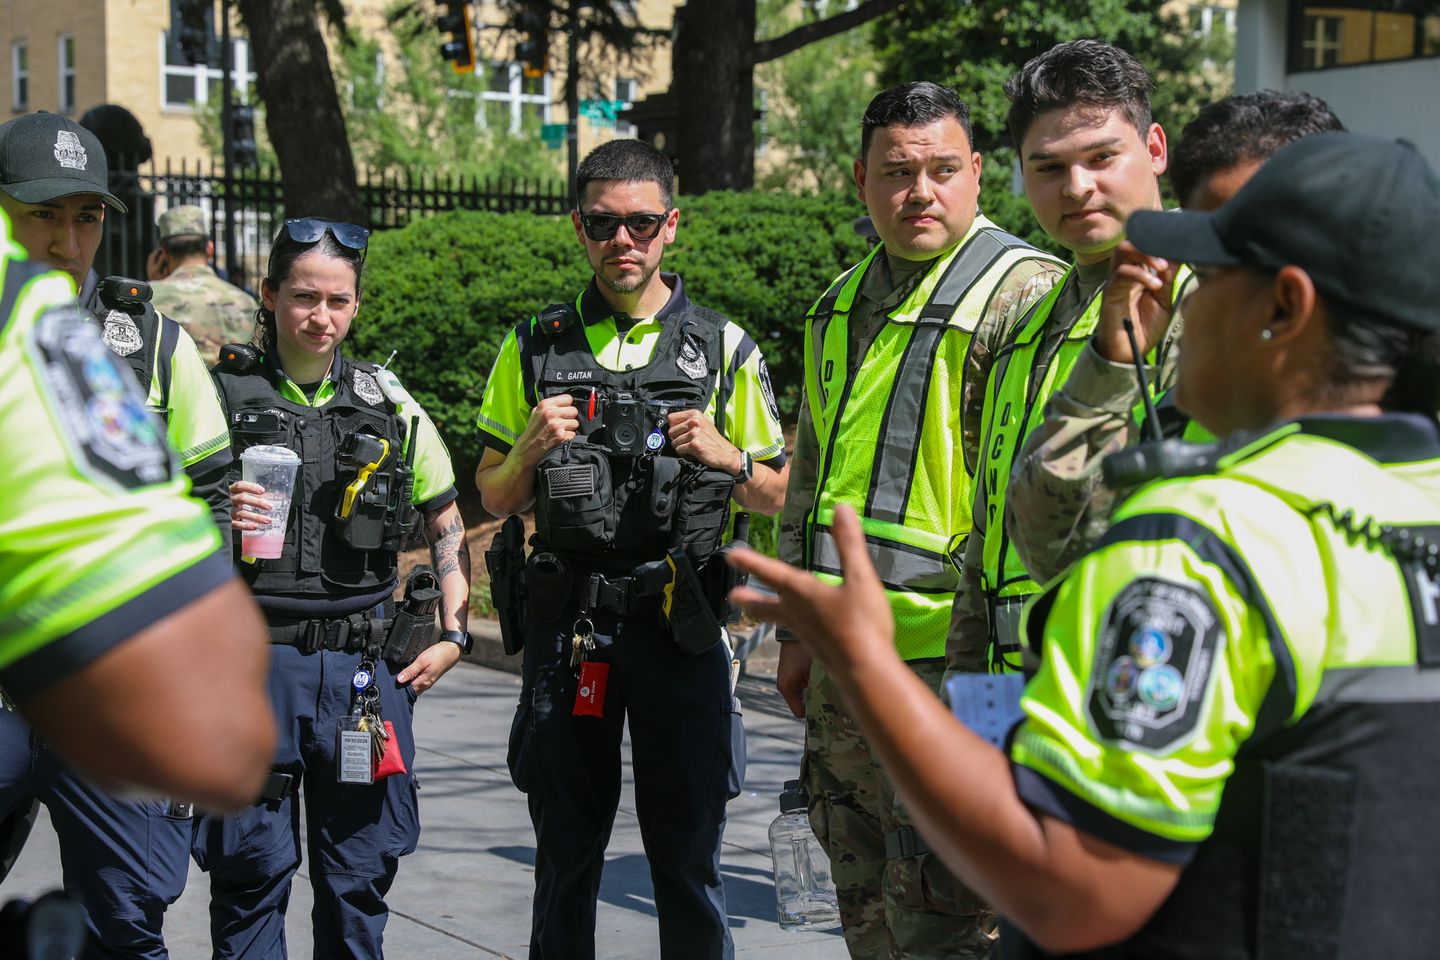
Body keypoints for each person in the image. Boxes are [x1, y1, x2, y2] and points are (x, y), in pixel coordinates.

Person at [732, 131, 1440, 958]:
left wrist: (865, 665)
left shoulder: (1199, 543)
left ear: (1284, 308)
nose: (1180, 301)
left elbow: (1077, 893)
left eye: (1209, 277)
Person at [475, 138, 789, 960]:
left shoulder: (722, 348)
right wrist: (529, 448)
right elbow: (494, 495)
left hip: (680, 626)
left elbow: (784, 493)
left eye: (642, 223)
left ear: (670, 226)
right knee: (564, 852)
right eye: (603, 223)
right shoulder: (534, 344)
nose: (623, 240)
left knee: (687, 856)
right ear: (578, 228)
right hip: (570, 629)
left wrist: (729, 456)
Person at [773, 82, 1063, 959]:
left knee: (953, 903)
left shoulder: (1026, 296)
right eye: (898, 172)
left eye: (942, 169)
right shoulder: (838, 303)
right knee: (862, 887)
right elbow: (808, 473)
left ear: (977, 172)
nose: (920, 192)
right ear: (862, 180)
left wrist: (1006, 690)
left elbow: (1032, 503)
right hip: (846, 659)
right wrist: (796, 633)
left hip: (958, 665)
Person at [191, 217, 471, 956]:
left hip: (364, 678)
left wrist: (454, 635)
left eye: (338, 301)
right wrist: (212, 515)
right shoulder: (215, 398)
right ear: (269, 295)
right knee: (248, 876)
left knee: (358, 879)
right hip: (251, 668)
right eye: (305, 297)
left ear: (356, 306)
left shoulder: (389, 402)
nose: (322, 317)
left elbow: (445, 517)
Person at [0, 110, 243, 958]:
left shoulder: (153, 343)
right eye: (42, 215)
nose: (67, 243)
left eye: (86, 218)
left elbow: (212, 499)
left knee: (128, 922)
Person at [1003, 89, 1345, 585]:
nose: (1077, 188)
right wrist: (1109, 368)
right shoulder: (1179, 360)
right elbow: (1050, 546)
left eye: (1231, 260)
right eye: (1205, 265)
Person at [948, 40, 1189, 679]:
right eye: (1049, 167)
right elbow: (989, 527)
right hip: (1010, 686)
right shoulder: (1024, 323)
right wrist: (964, 685)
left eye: (1102, 157)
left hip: (1131, 681)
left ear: (1155, 149)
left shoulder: (1205, 304)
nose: (1077, 188)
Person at [146, 204, 260, 364]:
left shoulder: (149, 300)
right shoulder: (244, 302)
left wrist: (153, 284)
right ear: (210, 249)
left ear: (163, 253)